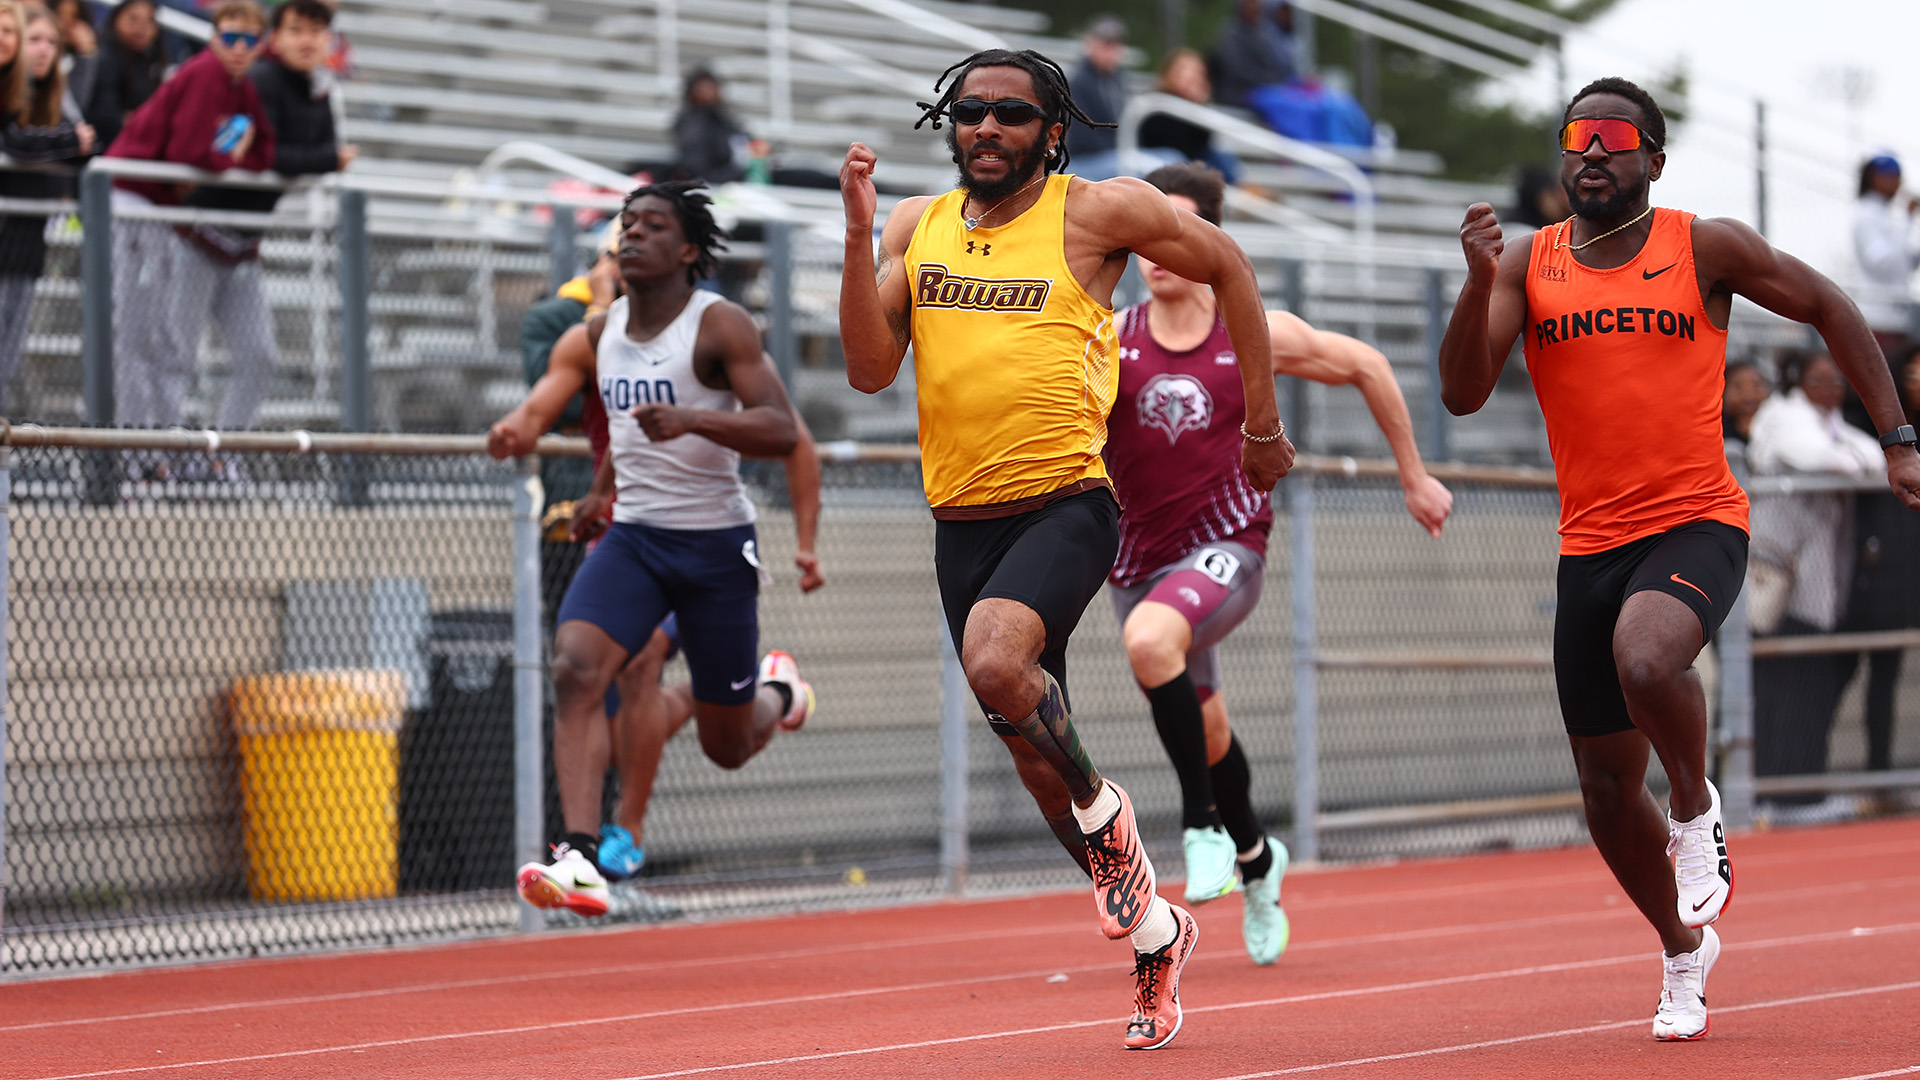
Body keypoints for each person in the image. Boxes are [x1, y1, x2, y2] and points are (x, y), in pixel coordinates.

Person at [1437, 76, 1920, 1042]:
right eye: (1576, 138)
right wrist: (1481, 282)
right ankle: (1681, 949)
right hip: (1590, 544)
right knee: (1608, 796)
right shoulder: (1531, 263)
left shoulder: (1705, 246)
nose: (1591, 153)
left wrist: (1899, 437)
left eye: (1613, 137)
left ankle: (1696, 809)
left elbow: (1830, 306)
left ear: (1653, 158)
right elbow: (1460, 396)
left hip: (1698, 520)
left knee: (1649, 656)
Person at [838, 48, 1292, 1050]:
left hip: (1065, 505)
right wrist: (858, 233)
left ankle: (1110, 811)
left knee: (999, 662)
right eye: (968, 113)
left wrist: (1263, 424)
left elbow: (1233, 268)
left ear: (1051, 130)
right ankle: (1156, 931)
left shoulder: (1100, 211)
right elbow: (871, 372)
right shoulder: (918, 226)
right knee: (1041, 769)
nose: (985, 129)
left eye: (1007, 113)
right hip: (959, 523)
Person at [1109, 163, 1451, 964]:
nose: (1158, 249)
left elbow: (1364, 362)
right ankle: (1260, 862)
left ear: (1212, 240)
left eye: (1177, 229)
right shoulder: (1109, 337)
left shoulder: (1248, 329)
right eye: (1144, 233)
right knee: (1207, 718)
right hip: (1137, 561)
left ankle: (1199, 828)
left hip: (1229, 546)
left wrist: (1413, 474)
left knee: (1153, 642)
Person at [510, 180, 815, 916]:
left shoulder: (721, 325)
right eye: (626, 223)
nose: (632, 235)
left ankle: (780, 690)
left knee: (728, 745)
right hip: (636, 538)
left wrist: (694, 421)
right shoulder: (600, 331)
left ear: (685, 249)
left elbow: (781, 429)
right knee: (577, 667)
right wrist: (598, 493)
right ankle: (579, 856)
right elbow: (625, 421)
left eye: (651, 225)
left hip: (714, 547)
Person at [169, 0, 350, 433]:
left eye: (316, 31)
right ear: (277, 36)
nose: (306, 41)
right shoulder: (261, 79)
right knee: (176, 354)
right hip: (196, 235)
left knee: (259, 358)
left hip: (244, 245)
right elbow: (269, 157)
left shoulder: (319, 88)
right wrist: (328, 159)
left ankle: (224, 456)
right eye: (296, 30)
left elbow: (307, 155)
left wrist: (322, 159)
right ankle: (156, 458)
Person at [103, 0, 272, 429]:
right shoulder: (207, 72)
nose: (238, 48)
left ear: (259, 46)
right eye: (229, 37)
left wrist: (227, 158)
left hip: (157, 208)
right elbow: (189, 152)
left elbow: (264, 151)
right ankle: (132, 452)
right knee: (138, 334)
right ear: (214, 37)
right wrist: (229, 157)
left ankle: (155, 450)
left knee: (161, 338)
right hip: (134, 201)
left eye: (248, 40)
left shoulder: (240, 86)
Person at [1747, 350, 1884, 822]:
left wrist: (1851, 459)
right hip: (1782, 585)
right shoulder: (1784, 416)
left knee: (1810, 688)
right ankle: (1788, 797)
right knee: (1787, 689)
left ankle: (1795, 790)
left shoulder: (1830, 422)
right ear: (1796, 380)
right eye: (1819, 378)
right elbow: (1822, 459)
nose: (1831, 387)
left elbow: (1875, 458)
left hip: (1817, 587)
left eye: (1836, 378)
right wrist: (1850, 461)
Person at [0, 0, 95, 416]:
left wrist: (67, 143)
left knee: (6, 363)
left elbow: (89, 143)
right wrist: (67, 143)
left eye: (51, 42)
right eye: (31, 38)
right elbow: (13, 143)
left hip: (25, 242)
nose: (40, 49)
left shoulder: (47, 93)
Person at [1840, 347, 1920, 781]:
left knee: (1886, 677)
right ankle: (1876, 776)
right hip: (1871, 580)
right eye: (1912, 372)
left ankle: (1883, 776)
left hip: (1907, 577)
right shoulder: (1867, 428)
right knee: (1846, 671)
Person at [1138, 49, 1240, 184]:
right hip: (1156, 165)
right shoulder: (1156, 107)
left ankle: (1238, 193)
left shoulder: (1193, 110)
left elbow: (1201, 145)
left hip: (1185, 164)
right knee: (1180, 160)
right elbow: (1178, 147)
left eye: (1198, 72)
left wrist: (1198, 105)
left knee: (1221, 157)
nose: (1191, 77)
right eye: (1185, 70)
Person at [1852, 155, 1918, 363]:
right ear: (1876, 178)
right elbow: (1884, 264)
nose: (1898, 183)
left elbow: (1904, 265)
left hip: (1895, 317)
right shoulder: (1866, 215)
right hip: (1878, 316)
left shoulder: (1884, 214)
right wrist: (1910, 224)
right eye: (1893, 176)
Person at [82, 0, 166, 150]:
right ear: (116, 18)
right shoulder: (104, 57)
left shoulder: (152, 59)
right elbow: (105, 115)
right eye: (133, 19)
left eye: (150, 21)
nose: (142, 28)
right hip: (105, 147)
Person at [1211, 0, 1296, 108]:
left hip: (1263, 93)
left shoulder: (1264, 35)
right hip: (1238, 96)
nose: (1254, 8)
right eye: (1250, 4)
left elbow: (1273, 65)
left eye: (1256, 4)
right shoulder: (1229, 37)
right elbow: (1239, 70)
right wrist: (1273, 83)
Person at [1721, 360, 1768, 472]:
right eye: (1738, 386)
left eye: (1757, 385)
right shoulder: (1716, 432)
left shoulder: (1777, 427)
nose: (1749, 394)